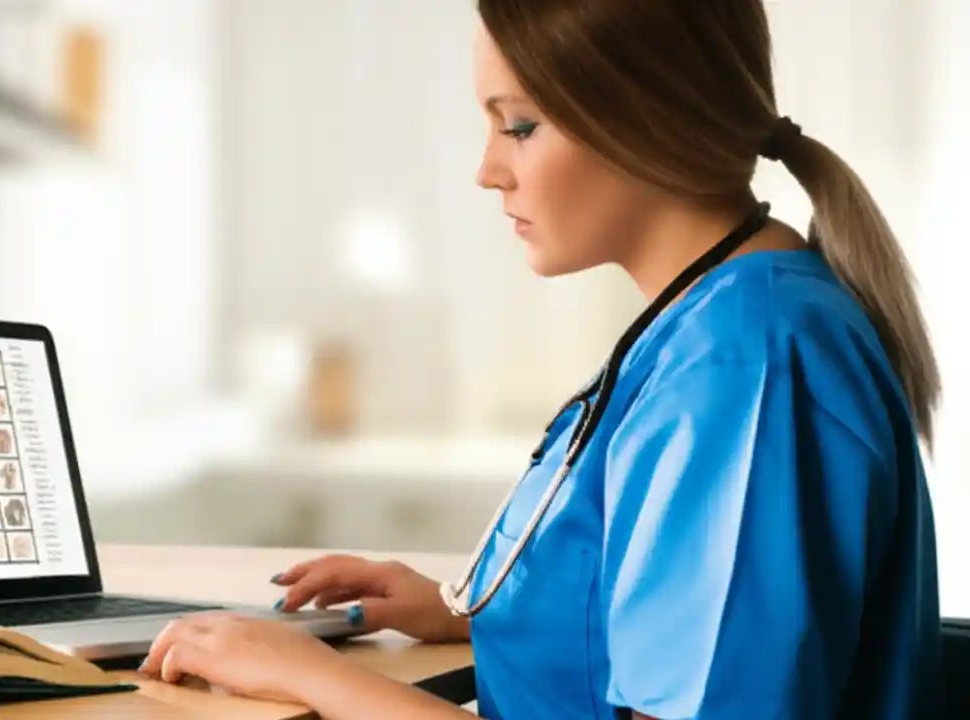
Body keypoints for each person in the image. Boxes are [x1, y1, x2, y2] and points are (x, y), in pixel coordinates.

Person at [138, 2, 945, 718]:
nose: (488, 171)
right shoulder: (721, 318)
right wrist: (463, 610)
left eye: (518, 125)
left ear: (648, 118)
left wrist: (321, 681)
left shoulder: (752, 367)